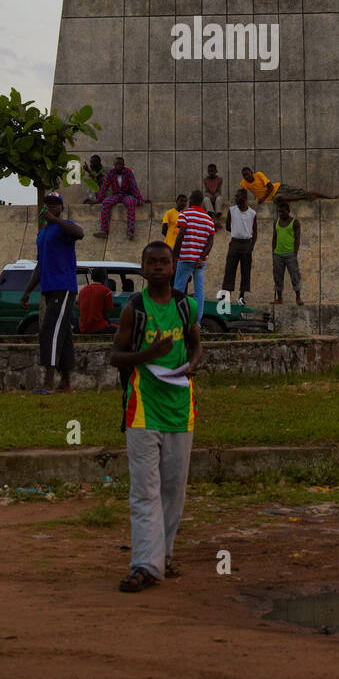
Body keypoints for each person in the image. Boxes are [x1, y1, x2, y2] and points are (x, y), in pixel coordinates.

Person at [110, 239, 202, 592]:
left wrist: (192, 365)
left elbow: (196, 346)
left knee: (172, 490)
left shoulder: (186, 306)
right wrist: (149, 353)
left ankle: (161, 555)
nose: (160, 267)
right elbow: (116, 356)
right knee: (144, 490)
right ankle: (144, 564)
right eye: (153, 263)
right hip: (143, 408)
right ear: (144, 268)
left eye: (165, 262)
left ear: (174, 265)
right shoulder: (134, 309)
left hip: (180, 408)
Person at [20, 190, 84, 393]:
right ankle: (66, 382)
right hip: (48, 287)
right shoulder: (42, 234)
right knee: (63, 334)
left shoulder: (64, 227)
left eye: (55, 204)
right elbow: (40, 264)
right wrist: (28, 290)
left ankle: (48, 381)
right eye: (47, 203)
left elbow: (80, 233)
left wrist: (56, 220)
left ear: (61, 207)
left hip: (64, 286)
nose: (50, 206)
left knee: (49, 330)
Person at [172, 190, 215, 318]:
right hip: (200, 262)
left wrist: (175, 255)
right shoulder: (209, 219)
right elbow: (210, 242)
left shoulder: (184, 213)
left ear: (190, 200)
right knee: (199, 291)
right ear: (202, 202)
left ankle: (176, 318)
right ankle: (197, 322)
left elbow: (181, 234)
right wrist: (201, 258)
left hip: (185, 257)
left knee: (178, 289)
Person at [93, 156, 144, 240]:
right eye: (117, 164)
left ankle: (130, 231)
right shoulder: (110, 173)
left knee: (131, 202)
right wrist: (98, 199)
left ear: (124, 165)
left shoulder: (128, 172)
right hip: (116, 195)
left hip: (126, 195)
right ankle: (104, 230)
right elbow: (104, 186)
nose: (119, 166)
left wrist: (139, 198)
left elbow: (133, 186)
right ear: (114, 164)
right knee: (106, 202)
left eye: (121, 164)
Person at [221, 189, 257, 305]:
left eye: (238, 196)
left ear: (244, 197)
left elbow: (255, 231)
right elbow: (228, 226)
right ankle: (227, 296)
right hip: (235, 243)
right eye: (235, 196)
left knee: (245, 270)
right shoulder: (232, 210)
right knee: (229, 269)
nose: (235, 198)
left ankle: (241, 296)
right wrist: (238, 231)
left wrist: (251, 245)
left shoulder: (252, 213)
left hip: (247, 243)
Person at [240, 164, 324, 207]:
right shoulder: (244, 183)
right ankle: (304, 198)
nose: (246, 177)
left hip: (278, 188)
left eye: (247, 174)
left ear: (251, 172)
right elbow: (244, 194)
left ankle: (328, 197)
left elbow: (271, 187)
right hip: (272, 197)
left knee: (301, 191)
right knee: (280, 198)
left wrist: (263, 198)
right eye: (244, 175)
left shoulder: (258, 174)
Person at [272, 201, 303, 305]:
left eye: (283, 211)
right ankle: (279, 298)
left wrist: (295, 253)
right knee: (277, 276)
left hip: (290, 254)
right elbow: (274, 238)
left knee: (294, 276)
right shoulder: (276, 222)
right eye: (279, 212)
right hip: (278, 254)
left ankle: (298, 297)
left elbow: (297, 239)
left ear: (288, 211)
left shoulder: (295, 222)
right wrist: (273, 252)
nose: (280, 214)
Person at [77, 267, 117, 335]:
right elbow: (106, 314)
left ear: (92, 278)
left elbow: (80, 310)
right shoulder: (106, 292)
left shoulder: (82, 291)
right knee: (120, 329)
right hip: (98, 327)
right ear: (104, 278)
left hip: (83, 328)